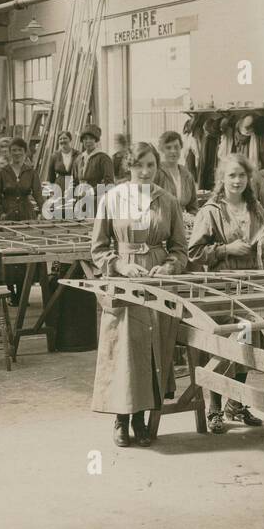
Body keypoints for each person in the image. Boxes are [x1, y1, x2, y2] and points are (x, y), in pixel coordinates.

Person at [90, 142, 188, 448]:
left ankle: (141, 420)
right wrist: (119, 265)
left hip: (158, 283)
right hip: (123, 283)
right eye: (138, 166)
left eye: (150, 166)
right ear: (128, 167)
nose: (145, 172)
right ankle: (120, 419)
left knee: (152, 350)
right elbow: (98, 248)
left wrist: (169, 268)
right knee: (124, 351)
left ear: (157, 167)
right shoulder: (112, 199)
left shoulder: (168, 201)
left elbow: (180, 250)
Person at [187, 153, 264, 433]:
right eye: (231, 175)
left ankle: (236, 404)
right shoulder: (210, 211)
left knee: (246, 342)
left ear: (249, 179)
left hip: (249, 285)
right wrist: (226, 249)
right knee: (222, 346)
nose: (237, 180)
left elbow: (263, 235)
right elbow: (194, 253)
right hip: (220, 288)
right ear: (222, 179)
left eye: (242, 176)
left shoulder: (254, 208)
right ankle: (214, 409)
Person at [0, 137, 44, 304]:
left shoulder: (31, 172)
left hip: (26, 216)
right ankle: (10, 291)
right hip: (8, 216)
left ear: (24, 152)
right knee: (9, 253)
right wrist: (0, 214)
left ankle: (23, 292)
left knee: (25, 253)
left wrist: (44, 212)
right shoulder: (2, 173)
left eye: (20, 150)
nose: (17, 153)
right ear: (9, 152)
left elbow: (38, 194)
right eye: (14, 150)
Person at [154, 129, 198, 217]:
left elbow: (193, 206)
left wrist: (190, 218)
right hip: (161, 223)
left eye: (176, 147)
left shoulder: (187, 175)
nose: (173, 151)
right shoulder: (156, 173)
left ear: (181, 148)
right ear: (161, 149)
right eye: (168, 147)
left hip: (184, 224)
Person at [74, 124, 115, 197]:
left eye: (91, 138)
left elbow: (109, 184)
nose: (88, 141)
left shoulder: (103, 158)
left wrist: (90, 192)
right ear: (82, 141)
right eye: (85, 139)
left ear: (96, 140)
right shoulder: (79, 159)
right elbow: (74, 181)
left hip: (97, 200)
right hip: (80, 201)